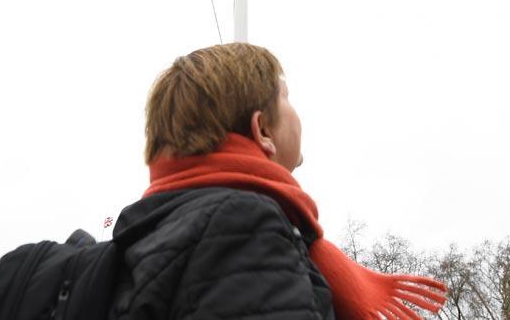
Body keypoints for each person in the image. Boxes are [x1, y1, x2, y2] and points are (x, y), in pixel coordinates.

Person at [108, 42, 446, 319]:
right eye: (286, 96)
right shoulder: (244, 229)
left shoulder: (145, 238)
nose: (296, 111)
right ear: (264, 131)